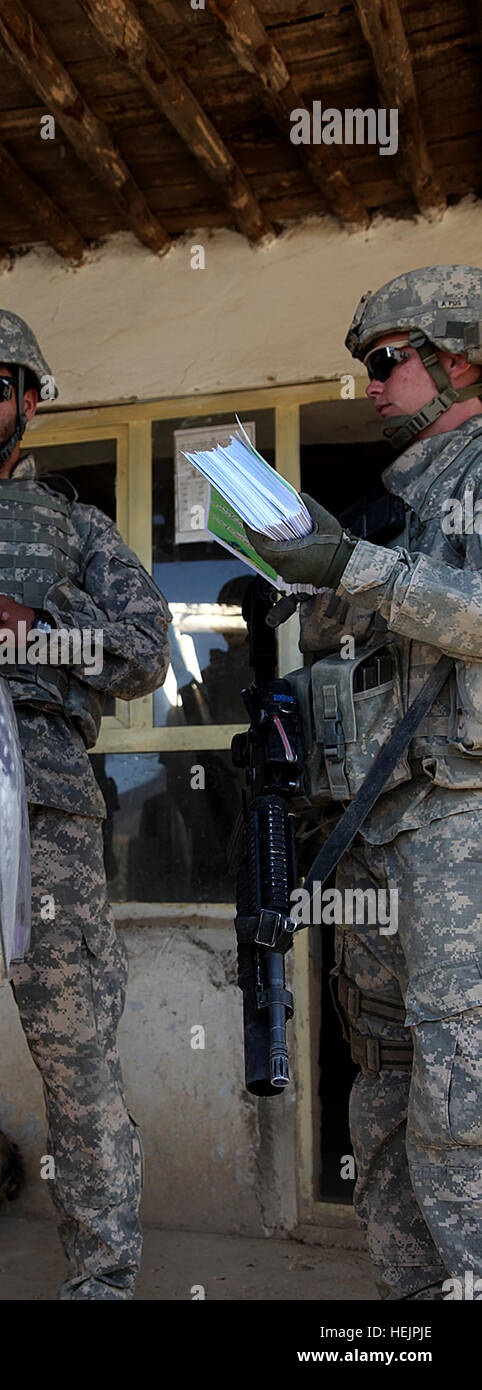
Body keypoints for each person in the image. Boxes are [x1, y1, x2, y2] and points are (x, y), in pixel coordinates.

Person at [0, 307, 171, 1299]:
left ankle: (100, 1284)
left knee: (77, 1067)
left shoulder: (77, 527)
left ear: (25, 397)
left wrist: (39, 625)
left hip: (45, 819)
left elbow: (147, 653)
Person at [245, 265, 482, 1299]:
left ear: (455, 355)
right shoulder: (387, 500)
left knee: (460, 1096)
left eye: (384, 362)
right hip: (370, 829)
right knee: (380, 1087)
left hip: (458, 824)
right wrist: (305, 584)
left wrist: (357, 569)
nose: (369, 386)